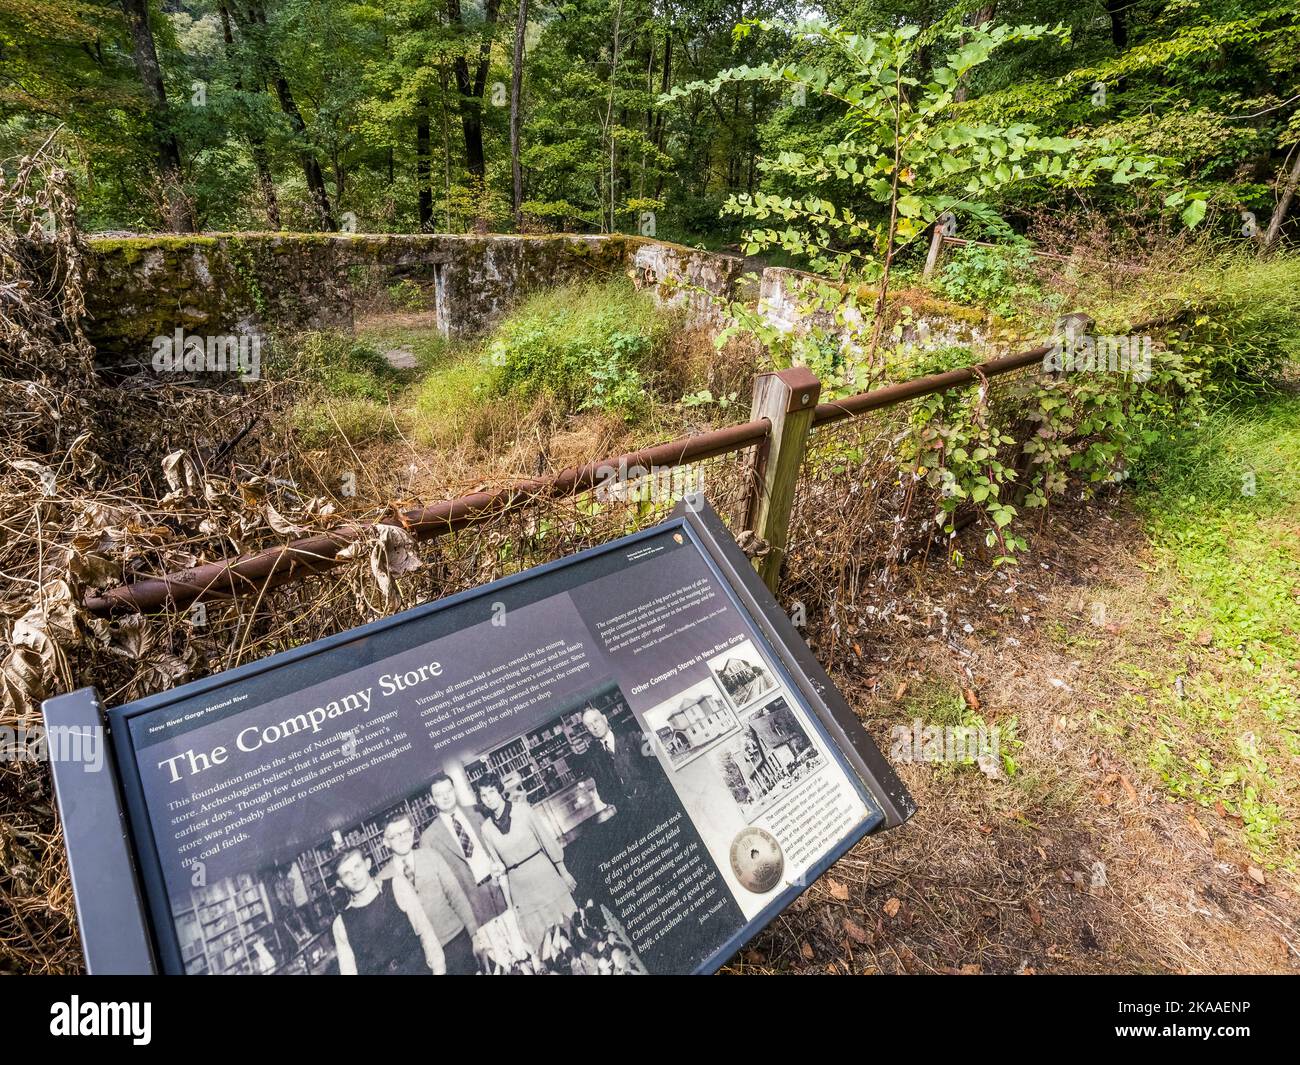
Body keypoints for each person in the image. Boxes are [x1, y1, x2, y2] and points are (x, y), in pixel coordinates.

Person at [476, 773, 577, 954]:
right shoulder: (486, 829)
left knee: (571, 930)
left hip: (545, 877)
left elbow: (546, 840)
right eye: (483, 795)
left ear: (499, 790)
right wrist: (509, 905)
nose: (488, 798)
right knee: (543, 945)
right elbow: (500, 869)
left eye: (491, 792)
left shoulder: (523, 810)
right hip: (520, 891)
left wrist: (564, 872)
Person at [377, 812, 480, 975]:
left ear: (413, 832)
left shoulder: (431, 856)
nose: (403, 838)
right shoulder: (382, 879)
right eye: (396, 835)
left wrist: (475, 934)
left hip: (456, 941)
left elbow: (457, 897)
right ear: (385, 842)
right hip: (421, 958)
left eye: (406, 831)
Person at [330, 849, 445, 975]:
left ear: (367, 864)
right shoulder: (340, 924)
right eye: (347, 874)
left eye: (357, 866)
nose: (354, 876)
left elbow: (425, 932)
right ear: (340, 883)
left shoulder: (397, 887)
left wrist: (439, 970)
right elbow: (349, 971)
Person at [419, 774, 508, 926]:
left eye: (448, 791)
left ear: (455, 791)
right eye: (439, 795)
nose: (446, 797)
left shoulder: (478, 812)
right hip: (473, 903)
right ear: (431, 801)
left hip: (501, 885)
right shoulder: (428, 838)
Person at [581, 706, 654, 809]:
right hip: (629, 812)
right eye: (589, 725)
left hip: (654, 798)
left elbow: (655, 764)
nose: (594, 727)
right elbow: (603, 793)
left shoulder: (631, 736)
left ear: (604, 719)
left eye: (596, 720)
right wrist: (623, 801)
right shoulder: (594, 758)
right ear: (587, 730)